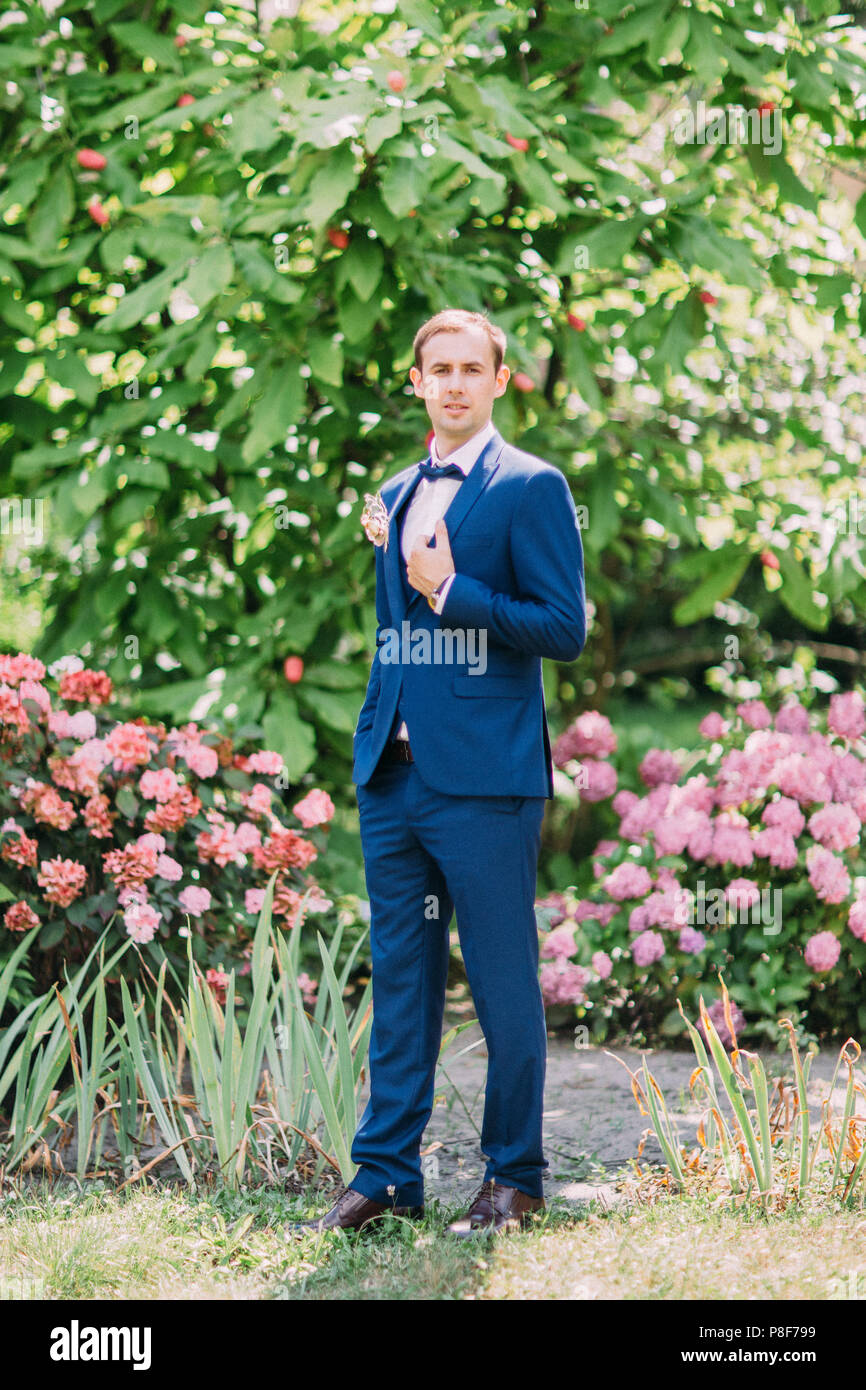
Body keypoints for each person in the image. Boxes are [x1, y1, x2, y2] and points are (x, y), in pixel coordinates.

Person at [294, 308, 586, 1237]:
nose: (455, 383)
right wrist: (375, 737)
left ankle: (515, 1177)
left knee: (503, 990)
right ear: (416, 381)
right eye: (439, 369)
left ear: (501, 382)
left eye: (472, 368)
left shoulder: (533, 487)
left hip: (488, 783)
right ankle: (385, 1176)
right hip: (397, 777)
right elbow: (397, 637)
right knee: (401, 981)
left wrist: (456, 593)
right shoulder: (395, 487)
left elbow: (562, 628)